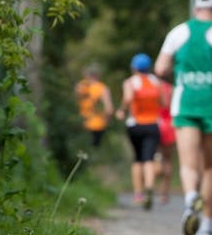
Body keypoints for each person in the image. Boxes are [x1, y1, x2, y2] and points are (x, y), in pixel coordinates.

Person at [155, 0, 212, 235]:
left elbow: (160, 68)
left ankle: (190, 199)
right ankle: (207, 230)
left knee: (188, 164)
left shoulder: (177, 32)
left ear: (196, 10)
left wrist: (178, 71)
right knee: (210, 167)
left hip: (185, 104)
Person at [116, 53, 161, 210]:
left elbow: (128, 98)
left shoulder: (130, 82)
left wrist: (122, 110)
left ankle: (138, 194)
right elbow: (164, 101)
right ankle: (149, 188)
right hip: (153, 124)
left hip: (135, 124)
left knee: (137, 159)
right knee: (149, 158)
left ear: (133, 67)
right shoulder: (155, 81)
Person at [75, 65, 113, 148]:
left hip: (82, 123)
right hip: (98, 125)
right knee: (96, 149)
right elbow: (109, 109)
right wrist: (107, 121)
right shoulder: (102, 88)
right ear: (97, 75)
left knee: (81, 150)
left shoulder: (80, 86)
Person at [157, 80, 177, 204]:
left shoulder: (154, 86)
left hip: (156, 124)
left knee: (151, 159)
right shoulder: (173, 88)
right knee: (168, 160)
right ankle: (164, 193)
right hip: (171, 125)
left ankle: (144, 190)